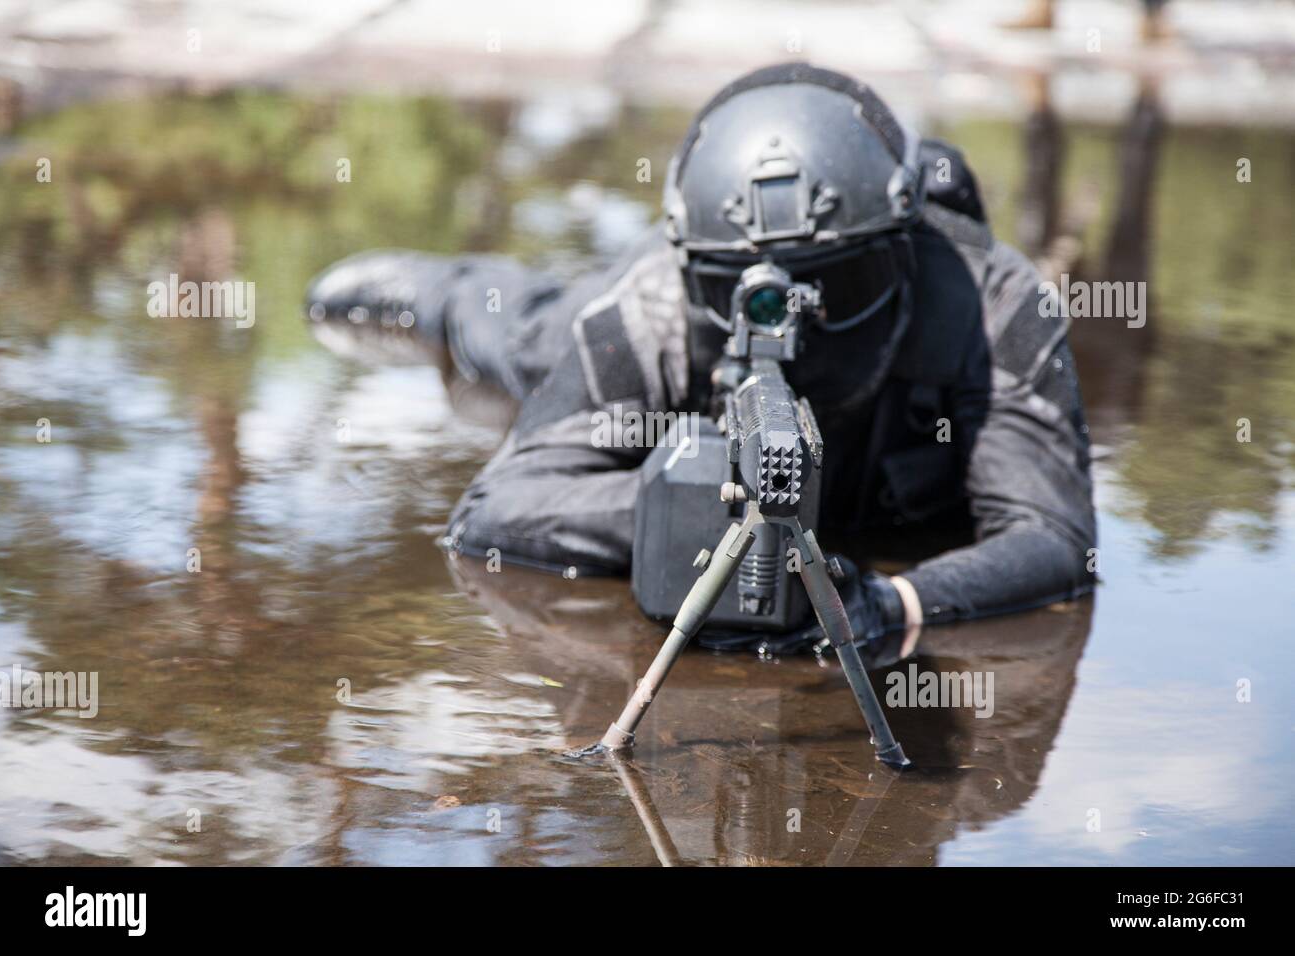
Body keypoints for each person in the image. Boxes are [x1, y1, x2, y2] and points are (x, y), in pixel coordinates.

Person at [304, 63, 1096, 651]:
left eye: (837, 282)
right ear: (700, 266)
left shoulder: (990, 306)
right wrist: (714, 519)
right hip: (605, 324)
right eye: (752, 291)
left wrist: (894, 604)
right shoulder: (656, 302)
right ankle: (448, 289)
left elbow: (1055, 539)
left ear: (903, 246)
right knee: (526, 335)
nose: (795, 318)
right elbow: (493, 515)